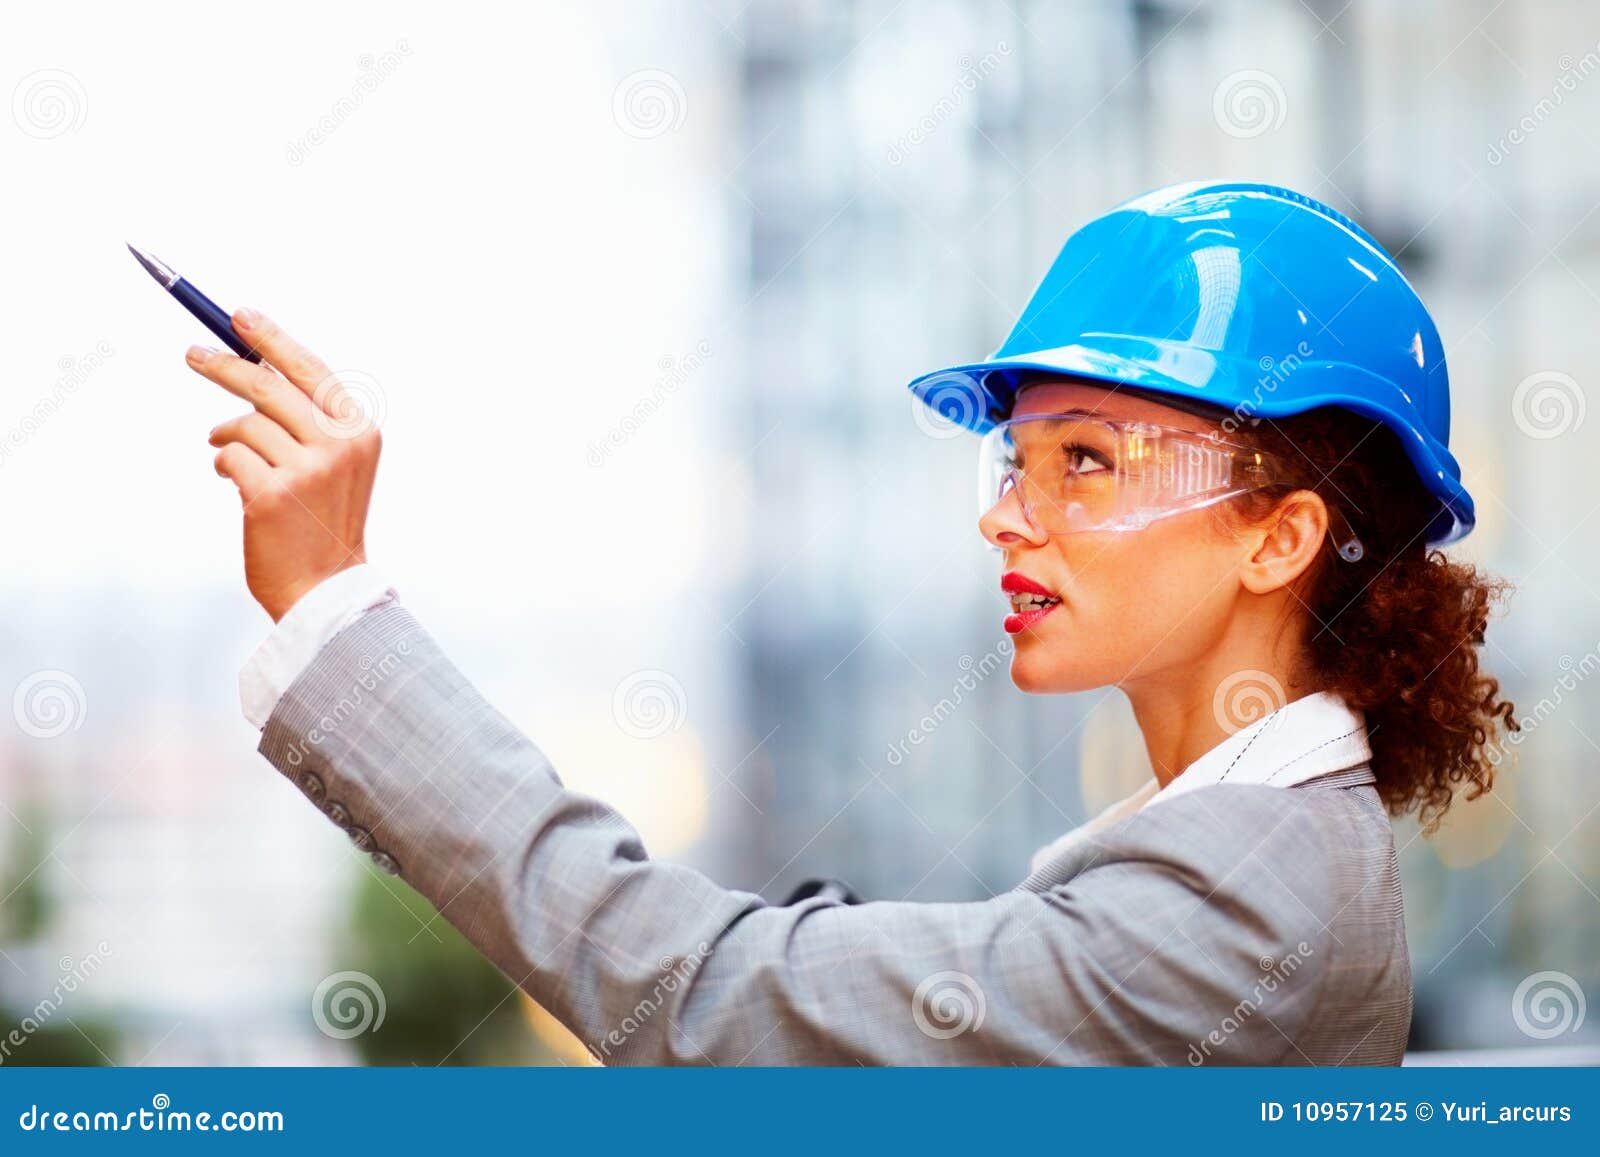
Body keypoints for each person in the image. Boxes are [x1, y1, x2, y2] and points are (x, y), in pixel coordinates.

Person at [186, 182, 1515, 1065]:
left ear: (1279, 534)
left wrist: (330, 601)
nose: (1008, 516)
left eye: (1090, 462)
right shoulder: (1249, 853)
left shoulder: (1233, 919)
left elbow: (695, 998)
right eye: (1019, 459)